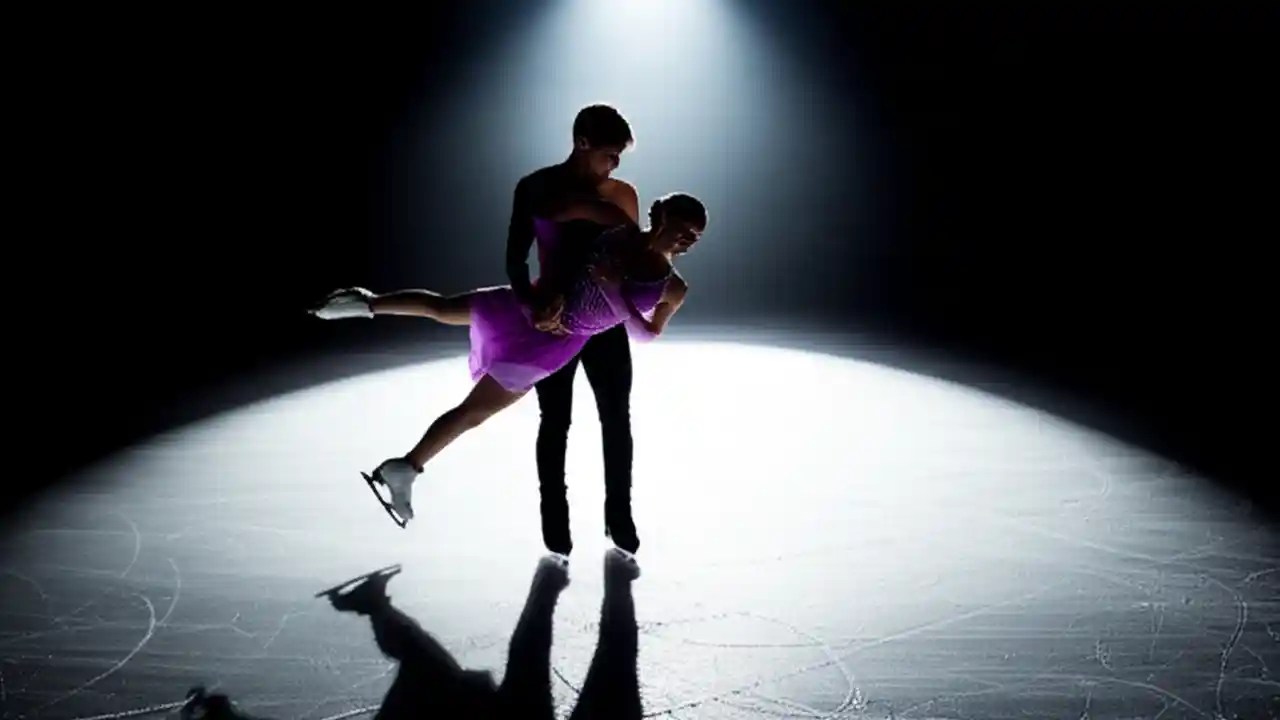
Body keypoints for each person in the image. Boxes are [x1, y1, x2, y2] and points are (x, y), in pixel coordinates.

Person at [309, 193, 707, 536]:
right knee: (443, 307)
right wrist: (549, 298)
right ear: (661, 217)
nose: (687, 240)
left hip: (556, 342)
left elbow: (645, 334)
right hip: (534, 308)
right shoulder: (618, 236)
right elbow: (565, 262)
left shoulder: (673, 287)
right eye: (683, 228)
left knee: (472, 412)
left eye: (695, 236)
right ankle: (364, 302)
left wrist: (615, 291)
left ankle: (407, 467)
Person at [506, 105, 641, 557]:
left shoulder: (622, 193)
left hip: (605, 321)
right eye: (610, 153)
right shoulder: (535, 186)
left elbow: (637, 258)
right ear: (582, 142)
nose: (616, 163)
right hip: (554, 321)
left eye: (620, 154)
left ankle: (619, 515)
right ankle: (554, 517)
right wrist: (531, 306)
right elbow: (514, 259)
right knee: (555, 420)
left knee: (616, 419)